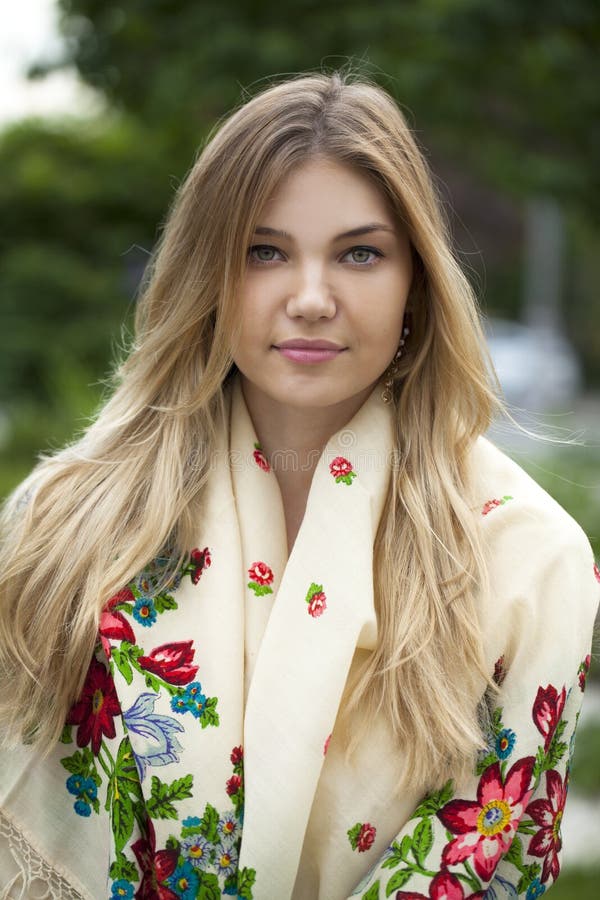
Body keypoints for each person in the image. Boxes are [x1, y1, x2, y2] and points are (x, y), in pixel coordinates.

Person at [0, 68, 598, 900]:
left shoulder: (528, 562)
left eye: (360, 253)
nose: (312, 299)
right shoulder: (63, 523)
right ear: (207, 275)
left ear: (416, 281)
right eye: (264, 252)